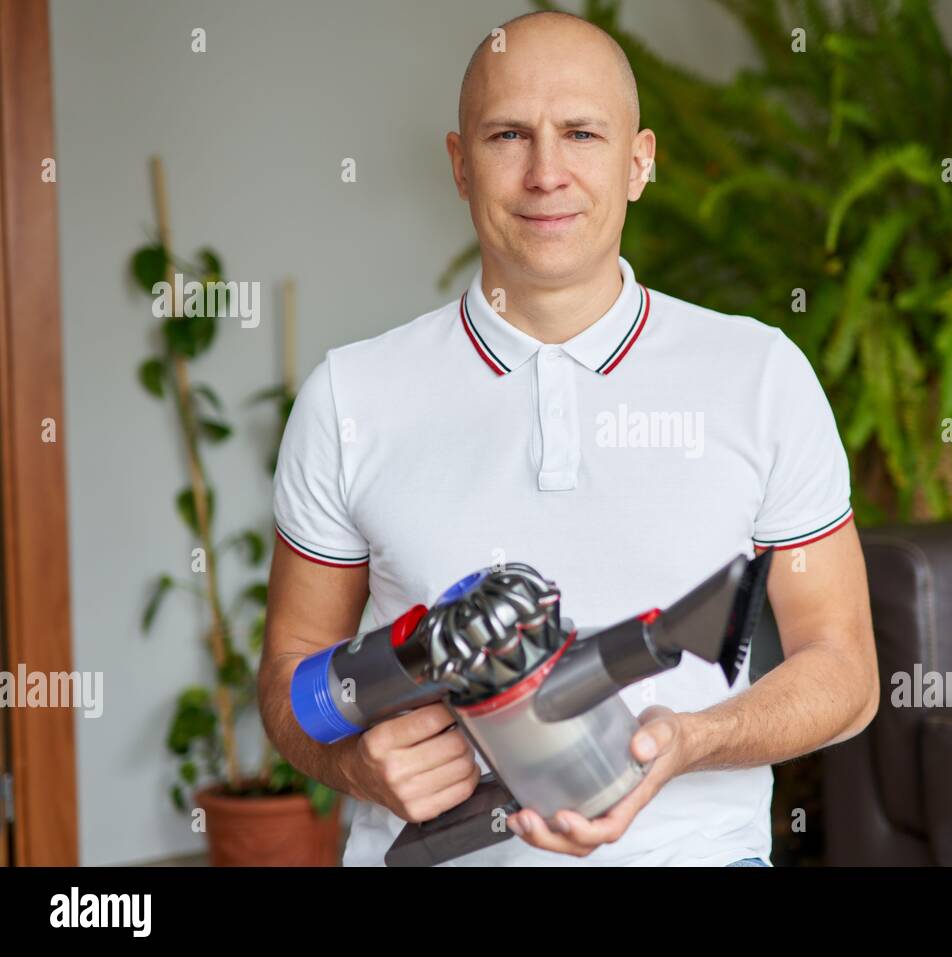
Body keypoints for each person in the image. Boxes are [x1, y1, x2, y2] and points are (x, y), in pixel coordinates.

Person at [258, 9, 879, 867]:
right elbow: (291, 675)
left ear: (639, 162)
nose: (546, 173)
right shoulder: (349, 395)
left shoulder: (759, 374)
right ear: (459, 164)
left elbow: (844, 671)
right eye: (509, 134)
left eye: (581, 133)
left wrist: (692, 739)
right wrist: (352, 763)